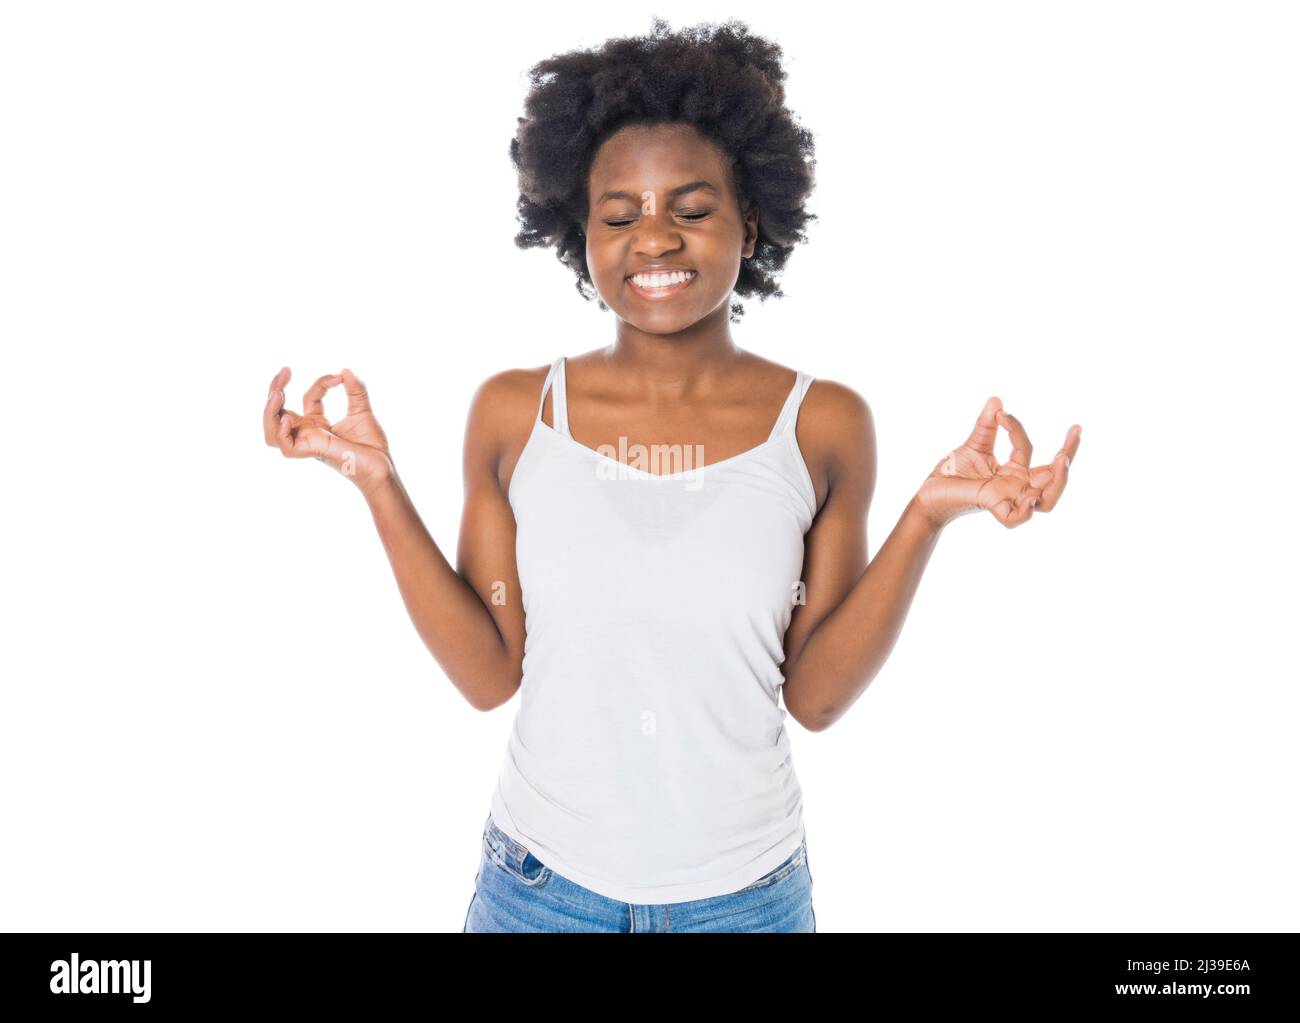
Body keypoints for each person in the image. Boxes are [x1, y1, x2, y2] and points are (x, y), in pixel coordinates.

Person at [260, 17, 1081, 933]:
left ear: (751, 220)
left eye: (691, 210)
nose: (655, 240)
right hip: (539, 892)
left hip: (747, 900)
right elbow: (490, 672)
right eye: (620, 215)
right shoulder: (512, 413)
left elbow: (813, 696)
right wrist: (378, 483)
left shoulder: (824, 425)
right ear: (583, 233)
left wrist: (928, 516)